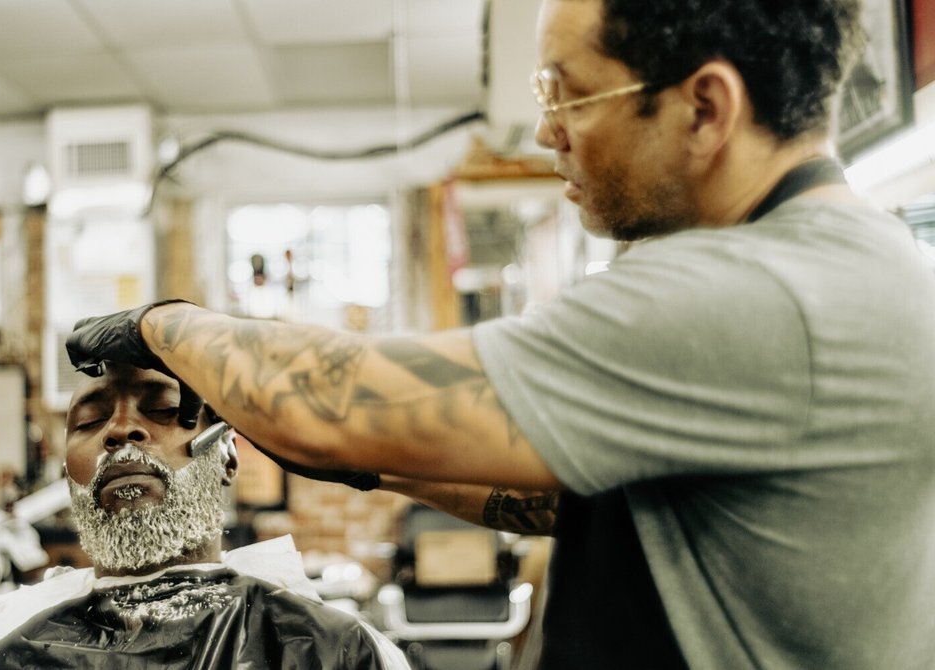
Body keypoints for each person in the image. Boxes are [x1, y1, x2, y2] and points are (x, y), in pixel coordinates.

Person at [65, 0, 935, 668]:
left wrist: (162, 323)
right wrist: (364, 459)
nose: (547, 131)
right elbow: (581, 501)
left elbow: (332, 401)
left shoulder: (759, 294)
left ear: (705, 107)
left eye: (569, 93)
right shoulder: (836, 261)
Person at [0, 362, 408, 669]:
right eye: (92, 418)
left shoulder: (335, 652)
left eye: (165, 410)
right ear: (68, 474)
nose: (120, 430)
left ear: (229, 455)